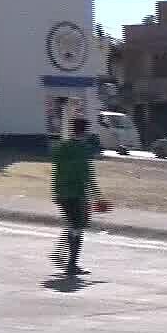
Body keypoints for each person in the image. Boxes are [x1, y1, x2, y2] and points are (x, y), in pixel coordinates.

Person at [51, 117, 104, 277]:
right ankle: (71, 264)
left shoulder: (61, 147)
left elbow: (56, 168)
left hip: (60, 192)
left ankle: (61, 254)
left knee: (74, 224)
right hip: (76, 193)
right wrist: (98, 197)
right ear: (85, 132)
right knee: (78, 227)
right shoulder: (83, 150)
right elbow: (87, 176)